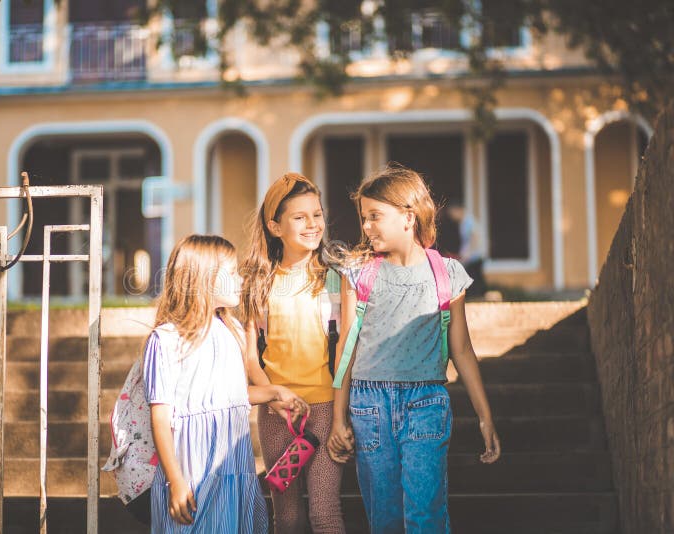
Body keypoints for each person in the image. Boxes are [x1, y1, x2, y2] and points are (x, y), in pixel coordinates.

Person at [326, 164, 501, 533]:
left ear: (408, 216)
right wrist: (339, 418)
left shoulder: (448, 273)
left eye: (375, 216)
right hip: (368, 405)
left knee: (426, 517)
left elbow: (463, 350)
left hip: (427, 404)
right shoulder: (358, 272)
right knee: (384, 518)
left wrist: (485, 416)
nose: (366, 227)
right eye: (364, 218)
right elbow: (346, 349)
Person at [144, 234, 307, 533]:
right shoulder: (166, 340)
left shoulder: (229, 329)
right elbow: (160, 418)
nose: (240, 280)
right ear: (202, 278)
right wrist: (176, 480)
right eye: (231, 273)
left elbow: (229, 395)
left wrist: (273, 392)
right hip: (192, 472)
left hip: (234, 466)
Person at [239, 172, 346, 533]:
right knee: (285, 516)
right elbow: (251, 356)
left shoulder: (334, 278)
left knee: (325, 511)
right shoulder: (258, 283)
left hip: (324, 411)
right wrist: (272, 398)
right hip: (275, 415)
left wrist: (339, 415)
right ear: (275, 226)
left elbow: (346, 350)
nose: (312, 224)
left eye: (317, 215)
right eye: (299, 217)